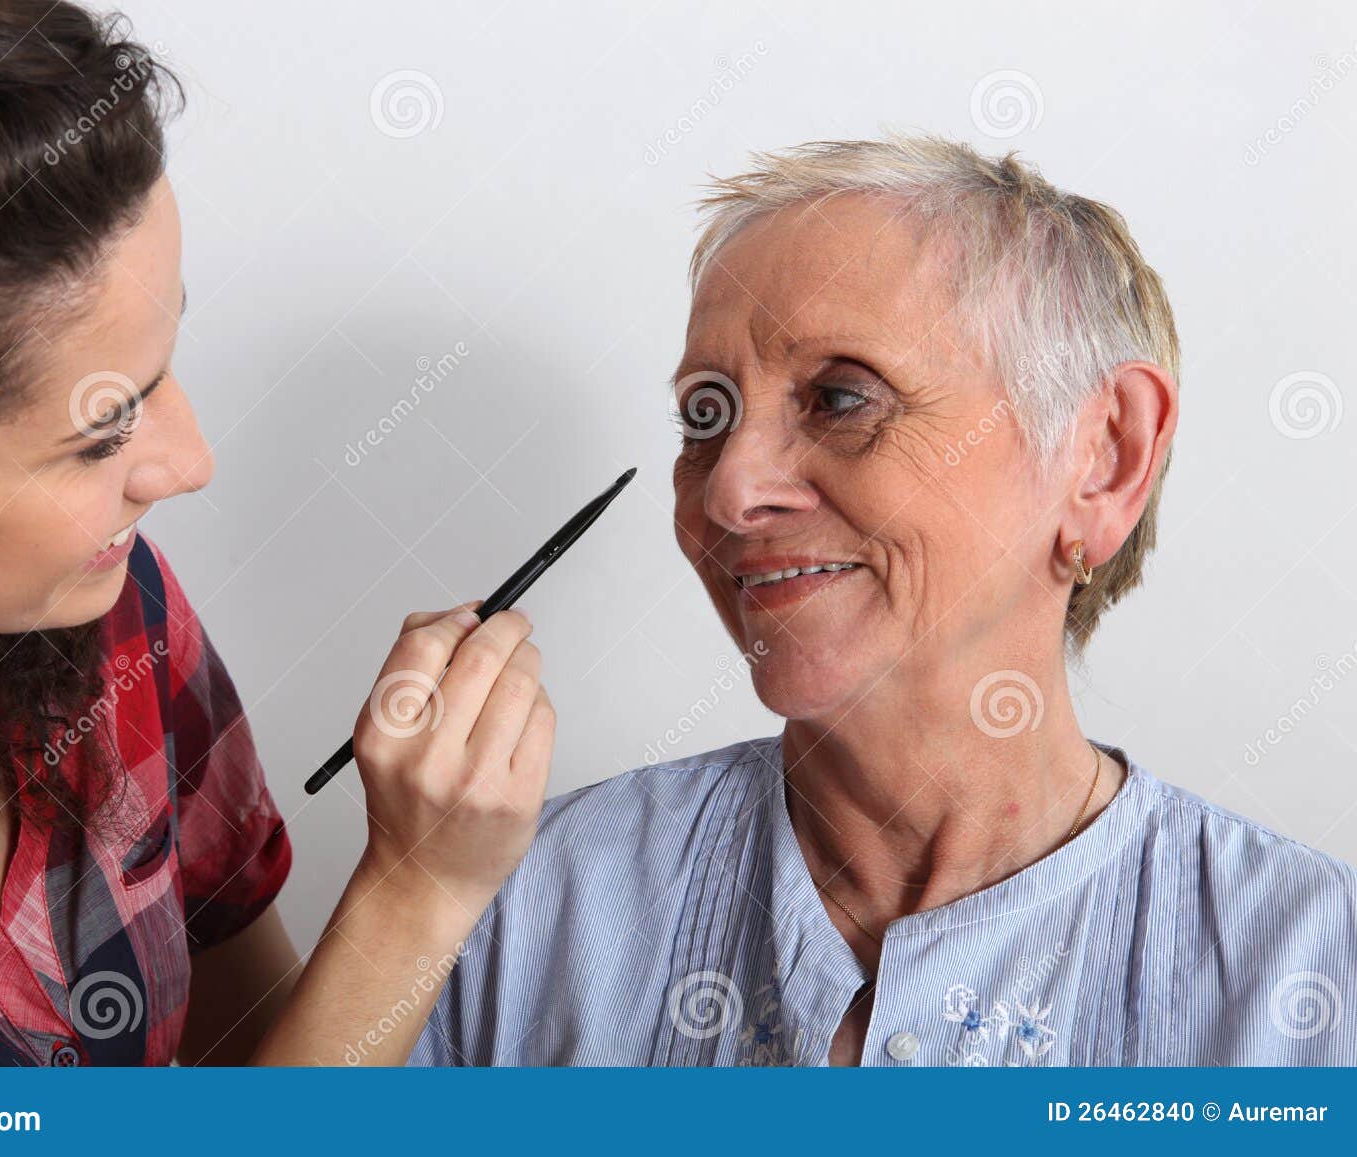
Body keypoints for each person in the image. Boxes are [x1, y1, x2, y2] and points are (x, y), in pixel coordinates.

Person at [408, 134, 1357, 1067]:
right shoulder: (520, 900)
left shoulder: (1316, 972)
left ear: (1103, 456)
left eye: (841, 398)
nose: (731, 491)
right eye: (706, 416)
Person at [0, 0, 553, 1066]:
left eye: (163, 358)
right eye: (98, 435)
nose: (189, 462)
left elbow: (251, 1059)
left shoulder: (117, 617)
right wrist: (417, 894)